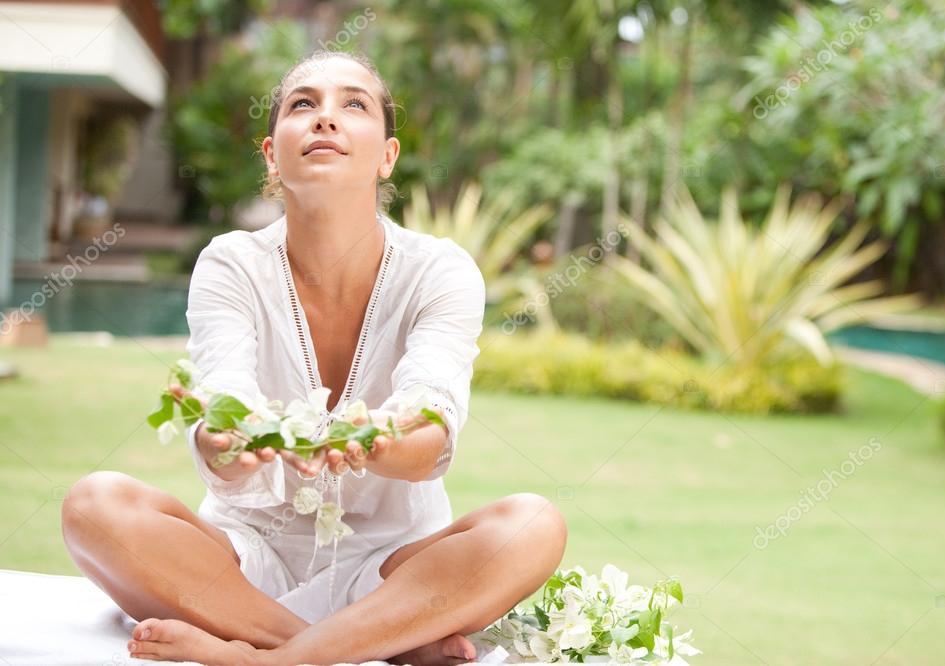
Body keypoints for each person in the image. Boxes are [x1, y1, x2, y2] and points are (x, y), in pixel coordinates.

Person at [60, 50, 567, 666]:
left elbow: (432, 427)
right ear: (273, 153)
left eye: (353, 105)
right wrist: (229, 440)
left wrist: (384, 441)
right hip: (240, 568)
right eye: (304, 104)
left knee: (533, 525)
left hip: (392, 572)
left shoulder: (442, 270)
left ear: (387, 155)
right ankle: (373, 644)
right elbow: (223, 406)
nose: (326, 118)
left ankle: (263, 659)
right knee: (94, 506)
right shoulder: (230, 263)